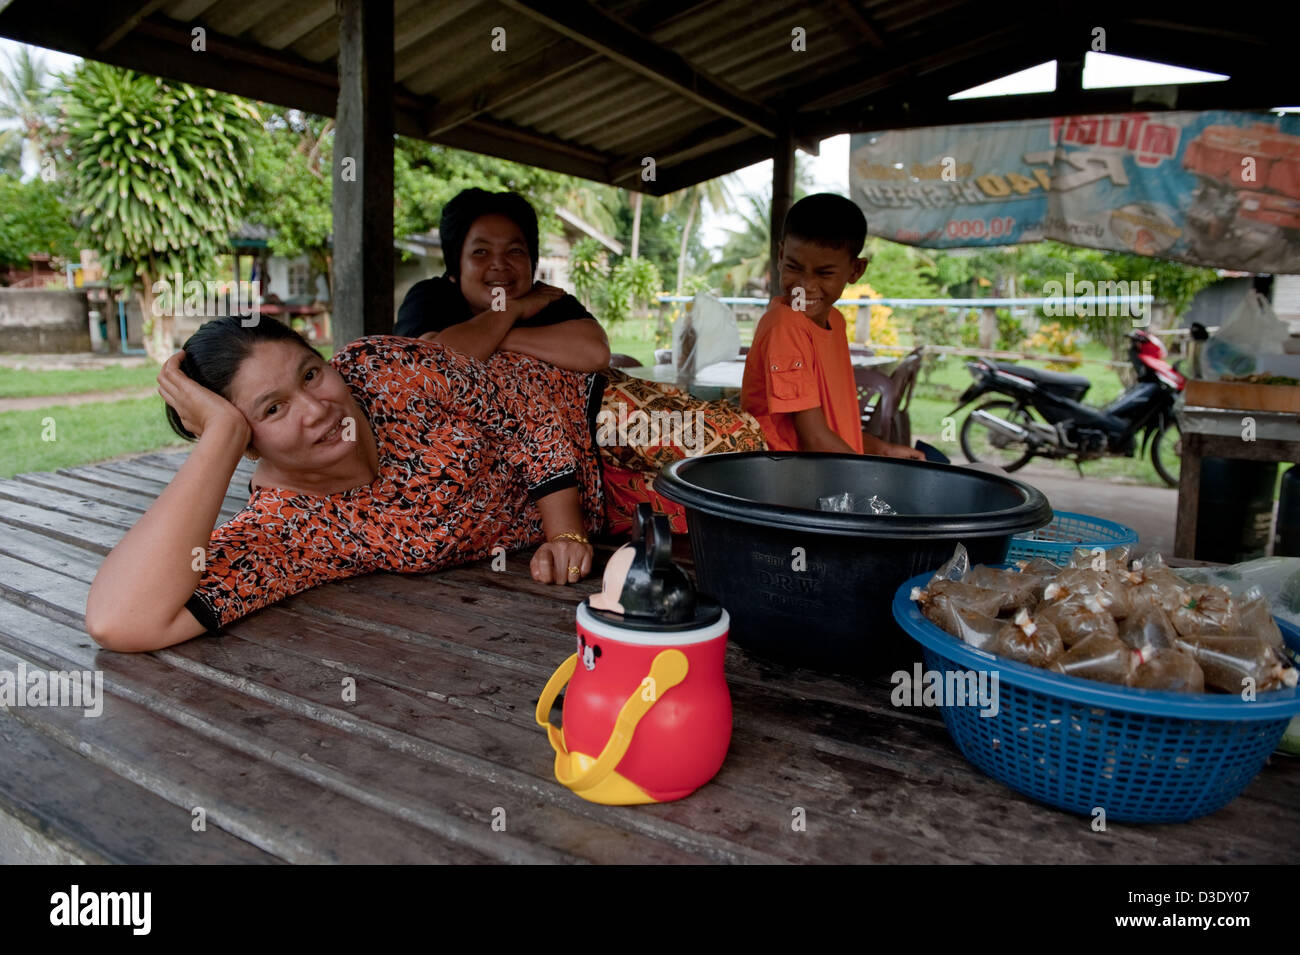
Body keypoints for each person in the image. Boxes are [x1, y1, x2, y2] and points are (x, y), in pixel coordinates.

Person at [85, 317, 603, 654]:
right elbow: (121, 620)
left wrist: (566, 534)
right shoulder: (292, 528)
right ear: (245, 441)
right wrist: (218, 436)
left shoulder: (379, 368)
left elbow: (520, 410)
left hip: (607, 420)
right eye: (272, 409)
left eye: (310, 374)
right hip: (616, 522)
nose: (317, 410)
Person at [396, 188, 766, 534]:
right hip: (565, 471)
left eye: (515, 251)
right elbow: (434, 361)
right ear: (454, 267)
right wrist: (512, 312)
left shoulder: (548, 298)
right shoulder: (431, 298)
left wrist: (494, 333)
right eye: (480, 252)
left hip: (605, 412)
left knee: (741, 444)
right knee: (704, 509)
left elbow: (594, 352)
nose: (499, 265)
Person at [741, 193, 925, 460]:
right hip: (787, 486)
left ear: (856, 271)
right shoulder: (786, 326)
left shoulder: (835, 322)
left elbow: (833, 427)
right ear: (781, 256)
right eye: (794, 267)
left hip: (827, 474)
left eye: (824, 273)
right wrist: (870, 475)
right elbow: (814, 438)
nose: (806, 286)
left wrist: (883, 450)